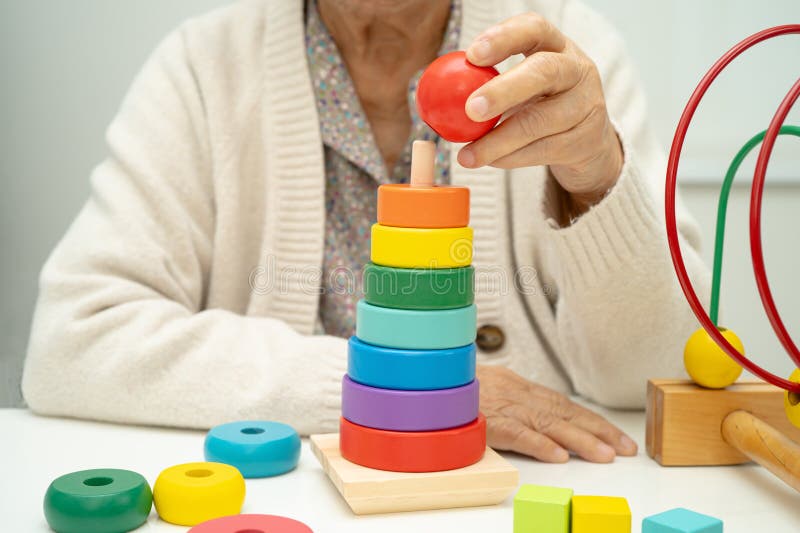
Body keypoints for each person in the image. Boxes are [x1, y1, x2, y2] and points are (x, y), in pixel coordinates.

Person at [22, 0, 709, 464]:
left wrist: (596, 178)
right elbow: (72, 342)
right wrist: (388, 389)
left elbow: (659, 375)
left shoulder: (565, 52)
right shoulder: (205, 66)